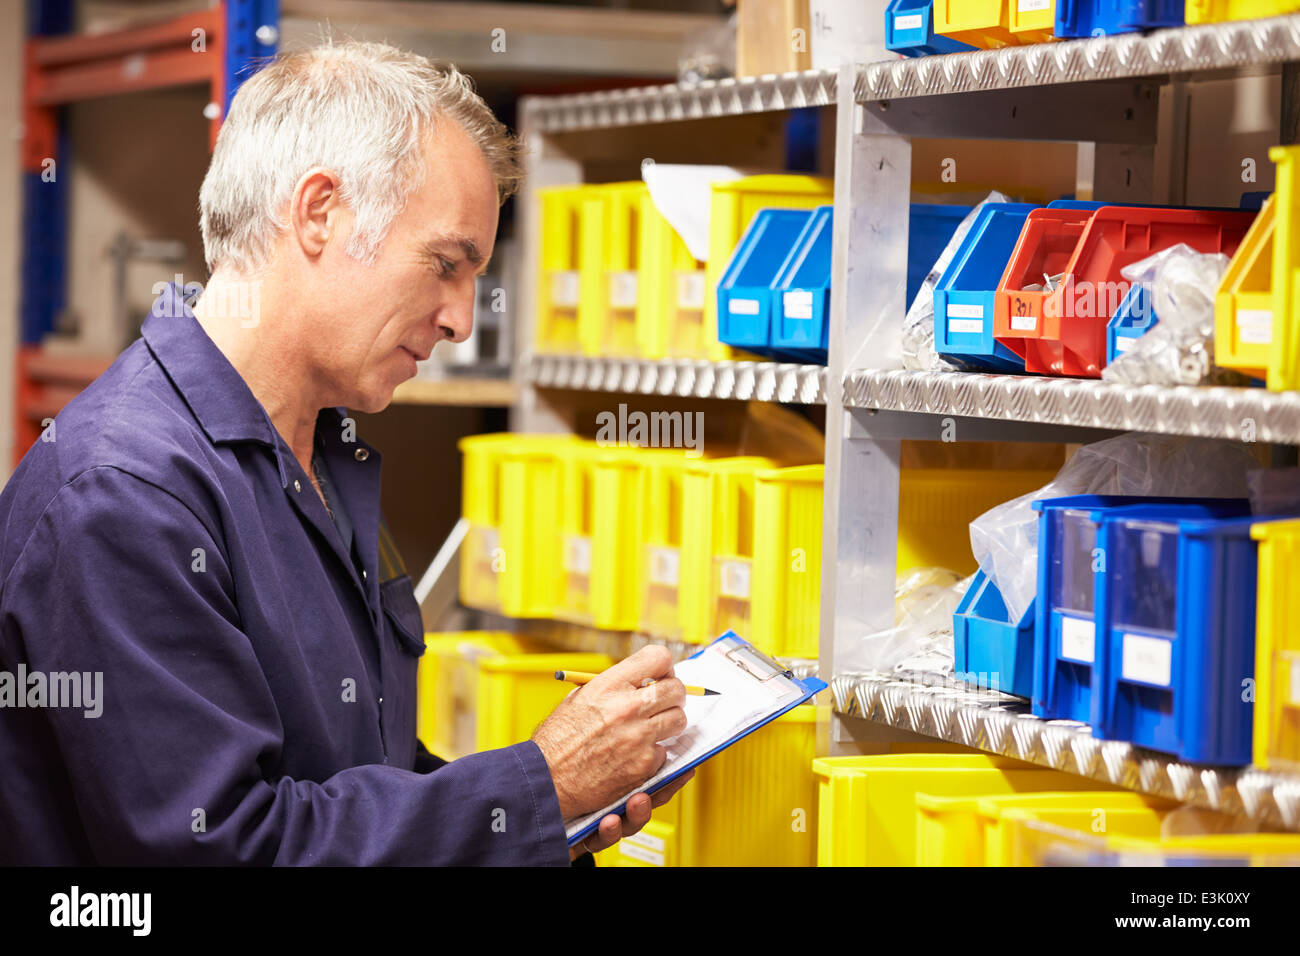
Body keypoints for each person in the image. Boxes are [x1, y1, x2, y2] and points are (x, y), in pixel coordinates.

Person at [0, 40, 689, 865]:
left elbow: (355, 779)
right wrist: (540, 785)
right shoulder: (124, 496)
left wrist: (556, 811)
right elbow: (229, 851)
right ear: (320, 211)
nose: (461, 320)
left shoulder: (321, 458)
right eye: (444, 264)